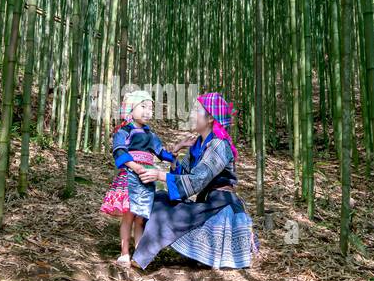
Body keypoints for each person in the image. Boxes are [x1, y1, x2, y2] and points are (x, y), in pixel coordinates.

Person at [133, 92, 258, 270]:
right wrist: (176, 154)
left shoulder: (218, 145)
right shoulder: (199, 144)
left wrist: (160, 176)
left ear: (209, 119)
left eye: (197, 111)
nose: (192, 115)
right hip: (206, 203)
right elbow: (183, 172)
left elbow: (198, 179)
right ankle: (140, 251)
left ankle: (142, 256)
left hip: (221, 206)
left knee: (165, 212)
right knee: (159, 198)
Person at [100, 90, 176, 265]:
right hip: (130, 176)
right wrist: (134, 166)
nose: (148, 111)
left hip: (147, 177)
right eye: (143, 107)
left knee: (141, 217)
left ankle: (140, 255)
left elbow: (161, 153)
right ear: (130, 109)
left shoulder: (151, 135)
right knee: (129, 216)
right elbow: (119, 151)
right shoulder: (124, 131)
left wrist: (175, 153)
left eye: (150, 108)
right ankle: (125, 252)